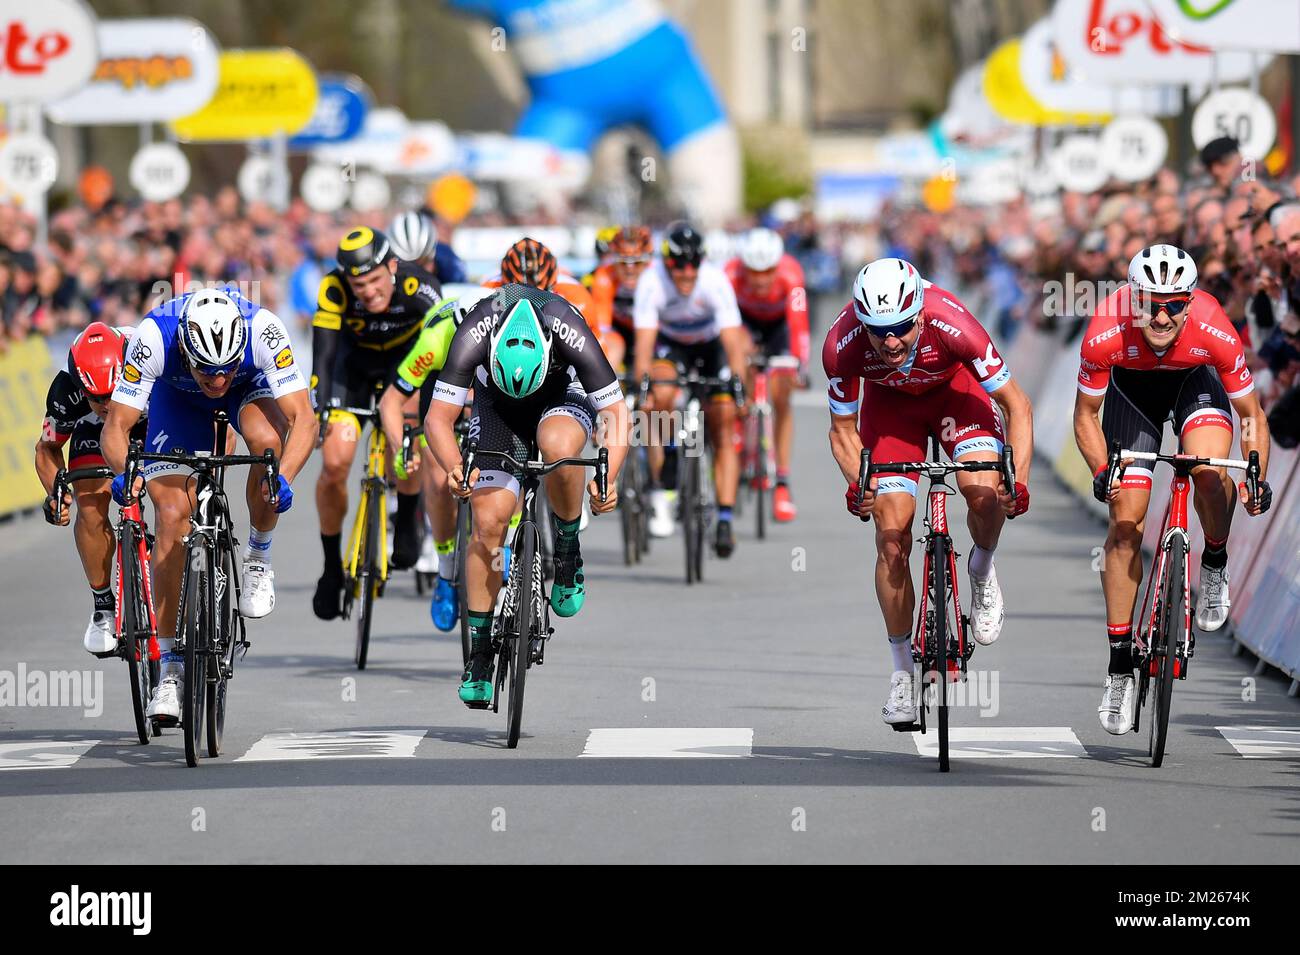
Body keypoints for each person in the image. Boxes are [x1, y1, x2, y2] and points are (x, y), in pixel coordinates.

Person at [1073, 244, 1273, 735]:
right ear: (1133, 298)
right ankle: (1120, 663)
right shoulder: (1105, 331)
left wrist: (1255, 475)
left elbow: (1251, 416)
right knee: (1125, 523)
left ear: (1190, 301)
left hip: (1195, 385)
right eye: (1150, 303)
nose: (1161, 316)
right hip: (1131, 393)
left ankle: (1214, 561)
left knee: (1208, 472)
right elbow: (1085, 416)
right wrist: (1102, 468)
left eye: (1174, 305)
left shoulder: (1212, 327)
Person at [824, 257, 1033, 726]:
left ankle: (981, 567)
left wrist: (1016, 479)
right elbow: (841, 429)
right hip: (891, 411)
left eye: (900, 327)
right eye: (879, 331)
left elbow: (1016, 404)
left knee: (982, 492)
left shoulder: (956, 325)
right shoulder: (842, 345)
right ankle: (901, 677)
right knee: (891, 540)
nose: (891, 341)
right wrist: (858, 485)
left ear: (919, 314)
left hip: (956, 395)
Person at [101, 288, 317, 722]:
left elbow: (304, 420)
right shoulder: (154, 336)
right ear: (184, 346)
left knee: (269, 446)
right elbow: (117, 425)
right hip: (177, 400)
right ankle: (171, 670)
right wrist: (126, 471)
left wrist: (284, 478)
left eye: (225, 368)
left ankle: (258, 555)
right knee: (171, 517)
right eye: (207, 371)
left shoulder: (265, 330)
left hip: (250, 392)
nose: (217, 380)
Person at [425, 284, 629, 706]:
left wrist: (609, 475)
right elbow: (437, 419)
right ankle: (479, 653)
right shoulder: (475, 330)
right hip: (497, 406)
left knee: (556, 445)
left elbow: (616, 413)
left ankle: (568, 546)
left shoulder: (568, 325)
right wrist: (454, 468)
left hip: (560, 395)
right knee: (488, 522)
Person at [310, 227, 442, 620]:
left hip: (406, 369)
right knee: (335, 463)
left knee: (405, 441)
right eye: (358, 284)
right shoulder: (333, 289)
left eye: (373, 280)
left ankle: (406, 519)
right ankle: (332, 568)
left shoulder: (420, 285)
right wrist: (319, 408)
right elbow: (323, 356)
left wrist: (437, 402)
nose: (367, 292)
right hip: (352, 372)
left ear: (393, 267)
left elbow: (444, 344)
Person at [378, 286, 492, 631]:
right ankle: (446, 566)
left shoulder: (502, 333)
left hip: (492, 384)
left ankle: (508, 559)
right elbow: (391, 403)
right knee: (439, 474)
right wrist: (401, 448)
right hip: (440, 382)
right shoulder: (436, 341)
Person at [633, 221, 748, 554]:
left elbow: (733, 342)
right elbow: (644, 346)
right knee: (663, 390)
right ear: (667, 264)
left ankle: (724, 519)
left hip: (711, 347)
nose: (686, 275)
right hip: (672, 346)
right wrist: (645, 389)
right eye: (678, 269)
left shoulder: (714, 280)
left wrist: (738, 384)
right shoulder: (651, 281)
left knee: (724, 420)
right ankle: (669, 452)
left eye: (692, 267)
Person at [35, 322, 142, 654]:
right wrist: (56, 490)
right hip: (93, 432)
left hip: (147, 417)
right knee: (91, 504)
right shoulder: (65, 391)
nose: (107, 404)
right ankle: (103, 606)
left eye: (111, 395)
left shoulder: (145, 359)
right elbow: (47, 449)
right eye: (97, 398)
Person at [724, 226, 810, 522]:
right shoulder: (730, 274)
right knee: (741, 357)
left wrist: (800, 364)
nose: (760, 280)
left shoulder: (792, 275)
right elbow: (725, 325)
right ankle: (741, 419)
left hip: (778, 329)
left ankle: (782, 483)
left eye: (767, 272)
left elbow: (799, 326)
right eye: (753, 272)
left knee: (782, 394)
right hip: (744, 324)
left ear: (777, 265)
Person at [588, 226, 653, 373]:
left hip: (653, 333)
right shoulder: (604, 275)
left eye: (636, 262)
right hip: (620, 331)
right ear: (614, 261)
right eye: (623, 262)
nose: (630, 269)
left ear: (647, 261)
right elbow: (602, 328)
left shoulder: (656, 276)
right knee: (610, 345)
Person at [389, 209, 467, 285]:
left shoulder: (450, 264)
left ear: (433, 255)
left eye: (422, 263)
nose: (415, 273)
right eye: (407, 265)